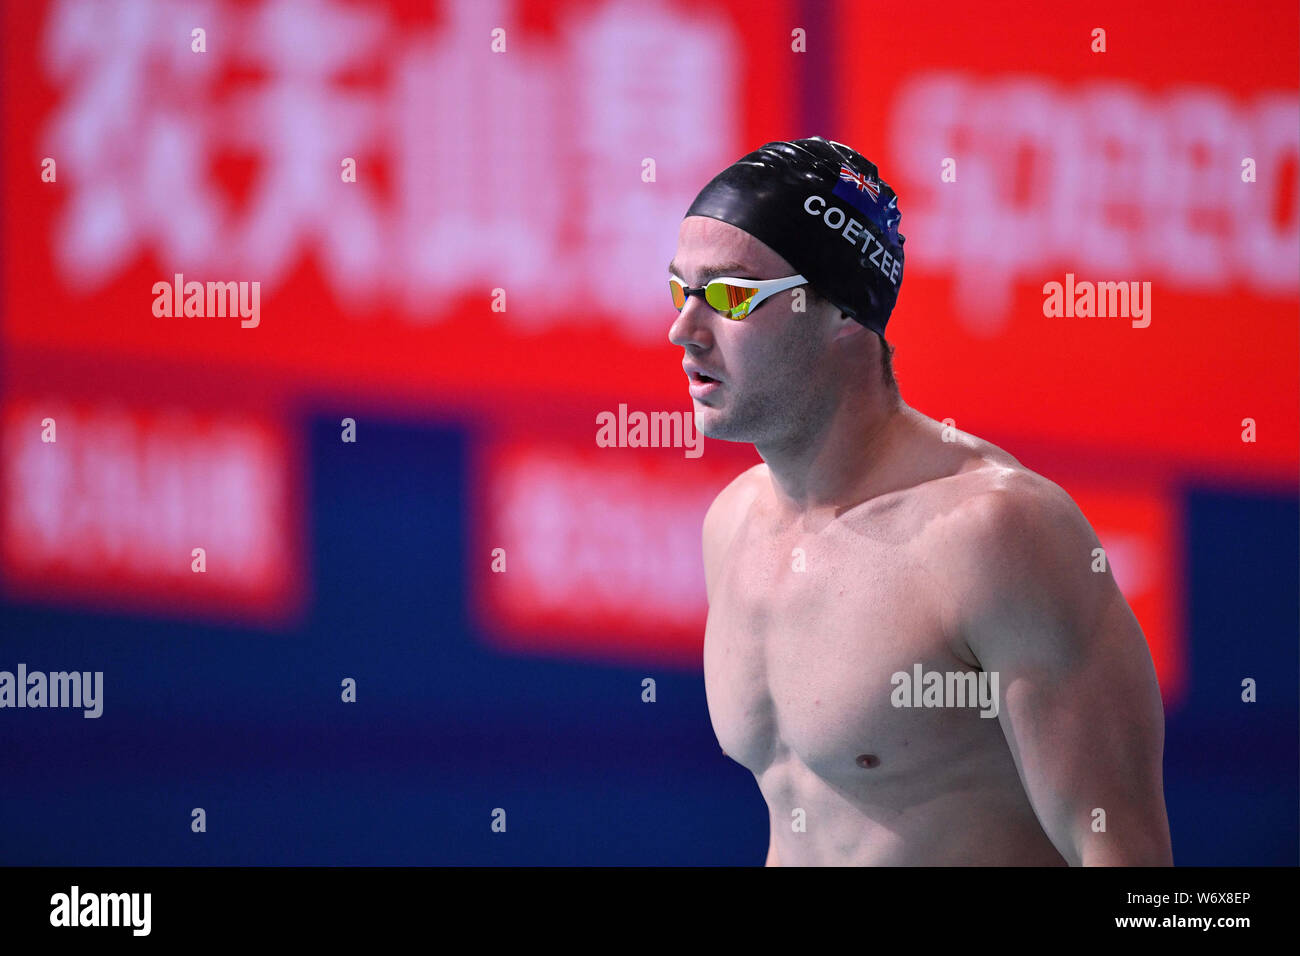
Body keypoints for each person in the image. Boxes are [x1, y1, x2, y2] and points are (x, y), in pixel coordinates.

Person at [668, 137, 1172, 866]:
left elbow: (1127, 860)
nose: (684, 330)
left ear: (844, 310)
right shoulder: (734, 525)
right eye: (680, 290)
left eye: (731, 296)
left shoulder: (997, 535)